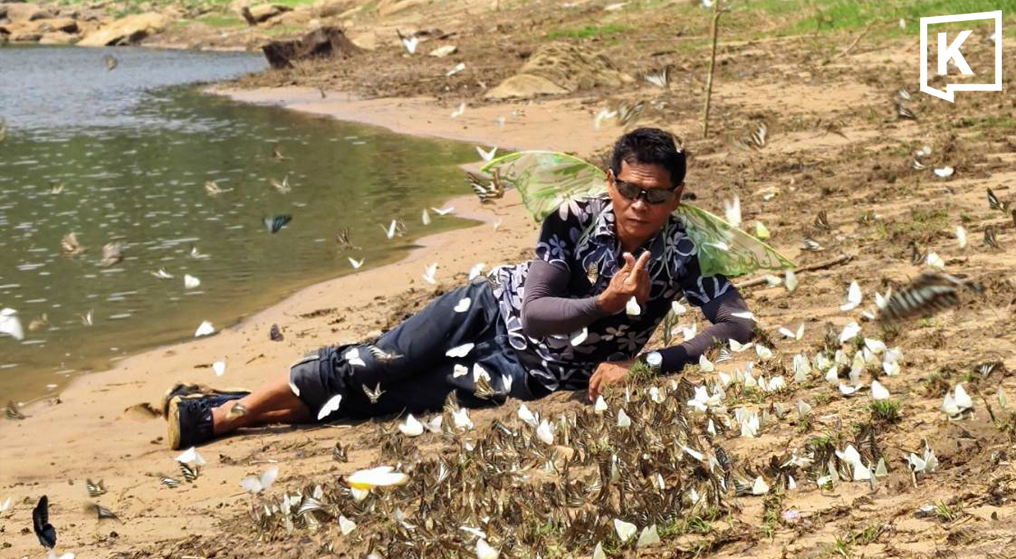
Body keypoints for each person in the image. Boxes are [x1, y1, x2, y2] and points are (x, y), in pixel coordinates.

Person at [165, 127, 754, 450]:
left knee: (387, 401)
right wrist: (602, 304)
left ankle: (229, 408)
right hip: (488, 311)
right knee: (377, 362)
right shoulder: (573, 217)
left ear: (677, 195)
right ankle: (224, 415)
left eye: (655, 195)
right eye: (629, 190)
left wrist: (648, 363)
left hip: (537, 376)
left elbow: (738, 325)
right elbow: (539, 310)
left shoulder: (684, 250)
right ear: (610, 181)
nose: (639, 206)